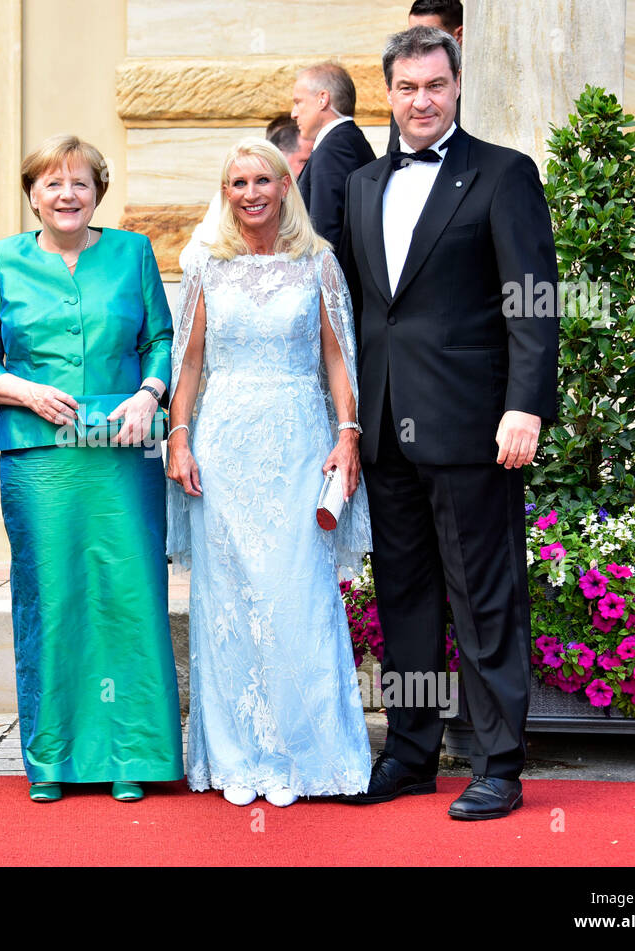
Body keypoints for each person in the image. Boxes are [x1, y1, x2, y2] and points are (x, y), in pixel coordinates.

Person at [337, 27, 558, 820]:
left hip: (474, 428)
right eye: (407, 88)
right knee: (405, 598)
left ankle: (499, 761)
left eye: (435, 85)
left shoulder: (502, 174)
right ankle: (409, 749)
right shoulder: (363, 184)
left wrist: (525, 403)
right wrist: (348, 423)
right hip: (387, 423)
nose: (421, 101)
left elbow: (533, 299)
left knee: (485, 598)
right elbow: (364, 311)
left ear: (457, 87)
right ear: (388, 91)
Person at [0, 134, 183, 803]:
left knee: (127, 599)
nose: (67, 195)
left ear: (98, 193)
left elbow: (160, 337)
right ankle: (53, 758)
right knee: (52, 599)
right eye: (53, 184)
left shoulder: (133, 252)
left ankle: (129, 755)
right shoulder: (2, 260)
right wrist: (21, 389)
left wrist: (150, 393)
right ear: (32, 193)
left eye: (80, 183)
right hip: (39, 455)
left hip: (123, 448)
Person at [166, 137, 373, 808]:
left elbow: (339, 359)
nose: (251, 192)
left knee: (297, 595)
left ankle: (305, 756)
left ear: (286, 185)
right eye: (238, 182)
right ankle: (234, 757)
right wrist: (178, 436)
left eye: (263, 179)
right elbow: (190, 363)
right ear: (224, 193)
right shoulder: (204, 265)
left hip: (298, 442)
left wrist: (348, 432)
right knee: (227, 603)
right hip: (222, 447)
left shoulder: (319, 265)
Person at [180, 115, 313, 274]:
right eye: (304, 161)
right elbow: (189, 259)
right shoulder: (227, 203)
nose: (251, 195)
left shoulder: (317, 259)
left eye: (262, 180)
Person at [292, 62, 375, 248]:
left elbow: (325, 232)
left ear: (323, 99)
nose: (293, 113)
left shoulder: (334, 148)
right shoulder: (347, 140)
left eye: (298, 102)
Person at [387, 0, 463, 152]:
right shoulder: (402, 94)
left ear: (459, 35)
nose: (417, 43)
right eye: (411, 34)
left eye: (429, 36)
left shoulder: (481, 93)